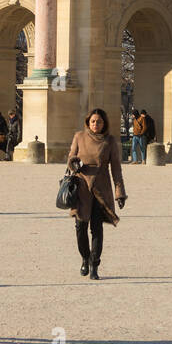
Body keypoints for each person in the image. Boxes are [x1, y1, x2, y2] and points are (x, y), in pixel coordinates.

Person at [66, 109, 127, 280]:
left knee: (97, 229)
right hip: (82, 187)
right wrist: (73, 163)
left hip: (101, 188)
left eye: (99, 122)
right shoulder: (79, 137)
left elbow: (116, 168)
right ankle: (85, 257)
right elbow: (71, 157)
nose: (95, 124)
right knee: (80, 227)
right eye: (93, 121)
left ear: (104, 123)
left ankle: (94, 264)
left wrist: (119, 192)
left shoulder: (109, 141)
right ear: (88, 122)